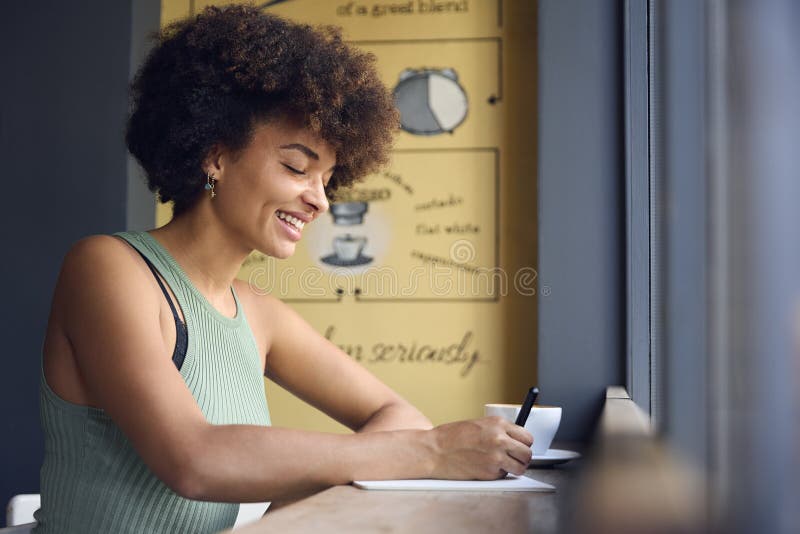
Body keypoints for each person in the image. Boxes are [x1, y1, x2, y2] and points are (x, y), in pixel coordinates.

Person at [34, 5, 533, 533]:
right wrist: (432, 452)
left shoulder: (256, 312)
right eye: (297, 167)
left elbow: (397, 414)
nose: (318, 200)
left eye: (328, 179)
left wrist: (283, 512)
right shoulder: (108, 269)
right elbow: (193, 459)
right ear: (215, 157)